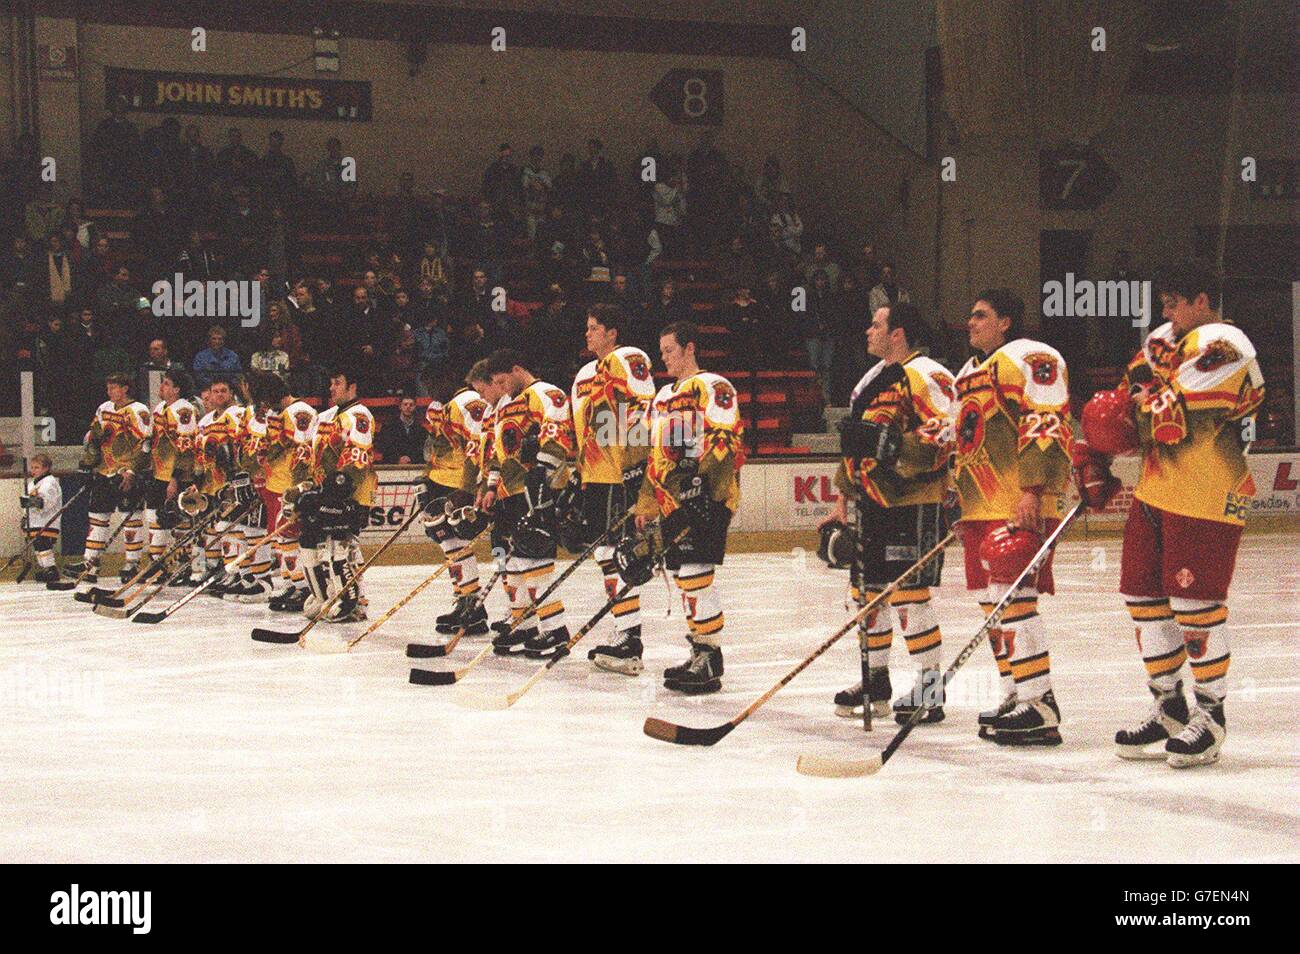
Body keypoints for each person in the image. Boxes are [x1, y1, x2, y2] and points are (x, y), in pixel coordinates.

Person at [1094, 260, 1264, 768]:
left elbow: (1171, 420)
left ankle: (1210, 716)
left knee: (1196, 603)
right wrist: (1097, 452)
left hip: (1208, 490)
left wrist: (1129, 412)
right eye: (1164, 302)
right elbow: (1125, 402)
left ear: (1203, 300)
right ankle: (1168, 705)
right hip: (1155, 490)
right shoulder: (1168, 340)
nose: (1165, 312)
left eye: (1174, 301)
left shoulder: (1224, 344)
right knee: (1141, 595)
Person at [820, 303, 955, 723]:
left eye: (876, 324)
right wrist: (843, 494)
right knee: (869, 593)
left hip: (912, 501)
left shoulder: (928, 373)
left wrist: (895, 448)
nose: (868, 330)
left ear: (898, 333)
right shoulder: (870, 380)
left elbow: (947, 431)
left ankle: (931, 689)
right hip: (873, 501)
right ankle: (876, 680)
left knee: (910, 596)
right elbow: (858, 441)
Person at [951, 289, 1073, 745]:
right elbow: (963, 440)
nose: (970, 322)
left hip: (1017, 501)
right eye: (970, 314)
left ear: (1006, 322)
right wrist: (956, 500)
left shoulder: (1031, 357)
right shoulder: (969, 371)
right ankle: (1015, 693)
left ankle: (1040, 703)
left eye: (980, 315)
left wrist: (1032, 490)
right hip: (980, 505)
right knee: (993, 604)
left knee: (1015, 599)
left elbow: (1046, 420)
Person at [634, 321, 745, 694]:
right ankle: (700, 649)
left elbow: (725, 437)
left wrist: (701, 481)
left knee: (697, 572)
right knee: (684, 575)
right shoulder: (662, 396)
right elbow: (655, 454)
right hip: (671, 502)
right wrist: (647, 501)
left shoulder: (712, 386)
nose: (663, 357)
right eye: (661, 351)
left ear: (690, 348)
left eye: (669, 350)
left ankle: (710, 656)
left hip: (706, 497)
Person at [566, 304, 657, 674]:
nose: (587, 334)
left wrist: (637, 465)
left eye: (594, 327)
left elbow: (643, 409)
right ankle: (626, 634)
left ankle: (630, 639)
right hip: (596, 477)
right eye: (586, 328)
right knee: (606, 555)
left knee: (618, 553)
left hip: (618, 477)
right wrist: (578, 472)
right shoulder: (587, 373)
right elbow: (588, 427)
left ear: (612, 332)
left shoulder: (626, 357)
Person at [478, 349, 576, 658]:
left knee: (536, 559)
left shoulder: (544, 393)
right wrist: (492, 486)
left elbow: (558, 435)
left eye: (504, 380)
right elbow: (498, 451)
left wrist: (541, 474)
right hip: (510, 493)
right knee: (517, 562)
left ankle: (555, 628)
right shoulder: (506, 404)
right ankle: (524, 623)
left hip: (535, 490)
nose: (502, 387)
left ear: (518, 369)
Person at [421, 363, 496, 638]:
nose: (430, 392)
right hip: (447, 483)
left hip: (463, 485)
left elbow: (479, 446)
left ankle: (473, 605)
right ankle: (466, 599)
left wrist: (469, 487)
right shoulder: (444, 407)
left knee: (459, 541)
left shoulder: (466, 403)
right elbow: (441, 448)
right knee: (450, 542)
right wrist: (428, 477)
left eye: (432, 384)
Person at [295, 367, 376, 622]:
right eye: (330, 382)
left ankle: (356, 599)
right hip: (326, 492)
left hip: (351, 494)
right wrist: (308, 485)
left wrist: (336, 487)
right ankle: (326, 594)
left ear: (352, 387)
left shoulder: (358, 414)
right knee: (317, 544)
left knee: (342, 546)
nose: (332, 388)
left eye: (337, 382)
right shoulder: (329, 415)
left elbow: (355, 459)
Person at [69, 373, 151, 585]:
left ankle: (132, 564)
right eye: (108, 388)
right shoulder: (104, 408)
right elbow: (94, 438)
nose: (110, 392)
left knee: (130, 518)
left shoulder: (138, 411)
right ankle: (91, 564)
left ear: (125, 388)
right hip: (104, 472)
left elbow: (145, 445)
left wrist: (132, 471)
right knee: (97, 516)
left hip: (125, 474)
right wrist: (88, 465)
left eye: (114, 387)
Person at [262, 376, 318, 613]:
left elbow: (304, 453)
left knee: (290, 535)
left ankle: (304, 586)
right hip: (278, 483)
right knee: (281, 538)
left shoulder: (299, 411)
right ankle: (290, 582)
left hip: (291, 486)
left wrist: (299, 489)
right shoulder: (282, 413)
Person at [144, 368, 198, 581]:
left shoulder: (184, 410)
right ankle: (157, 564)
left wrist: (174, 478)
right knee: (157, 518)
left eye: (166, 383)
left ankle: (183, 566)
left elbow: (185, 447)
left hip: (176, 476)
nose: (162, 387)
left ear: (177, 389)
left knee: (179, 521)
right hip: (159, 472)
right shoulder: (160, 408)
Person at [20, 452, 63, 583]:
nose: (33, 470)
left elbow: (47, 502)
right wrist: (24, 517)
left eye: (36, 467)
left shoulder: (50, 482)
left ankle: (51, 569)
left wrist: (32, 502)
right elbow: (27, 502)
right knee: (38, 546)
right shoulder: (33, 483)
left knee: (43, 544)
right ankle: (45, 569)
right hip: (34, 522)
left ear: (46, 468)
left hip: (47, 520)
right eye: (32, 467)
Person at [377, 396, 426, 464]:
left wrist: (411, 459)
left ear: (415, 407)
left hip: (414, 466)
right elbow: (384, 448)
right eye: (405, 404)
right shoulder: (388, 427)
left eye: (411, 405)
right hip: (392, 467)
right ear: (400, 406)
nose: (408, 407)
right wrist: (397, 459)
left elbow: (422, 450)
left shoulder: (421, 430)